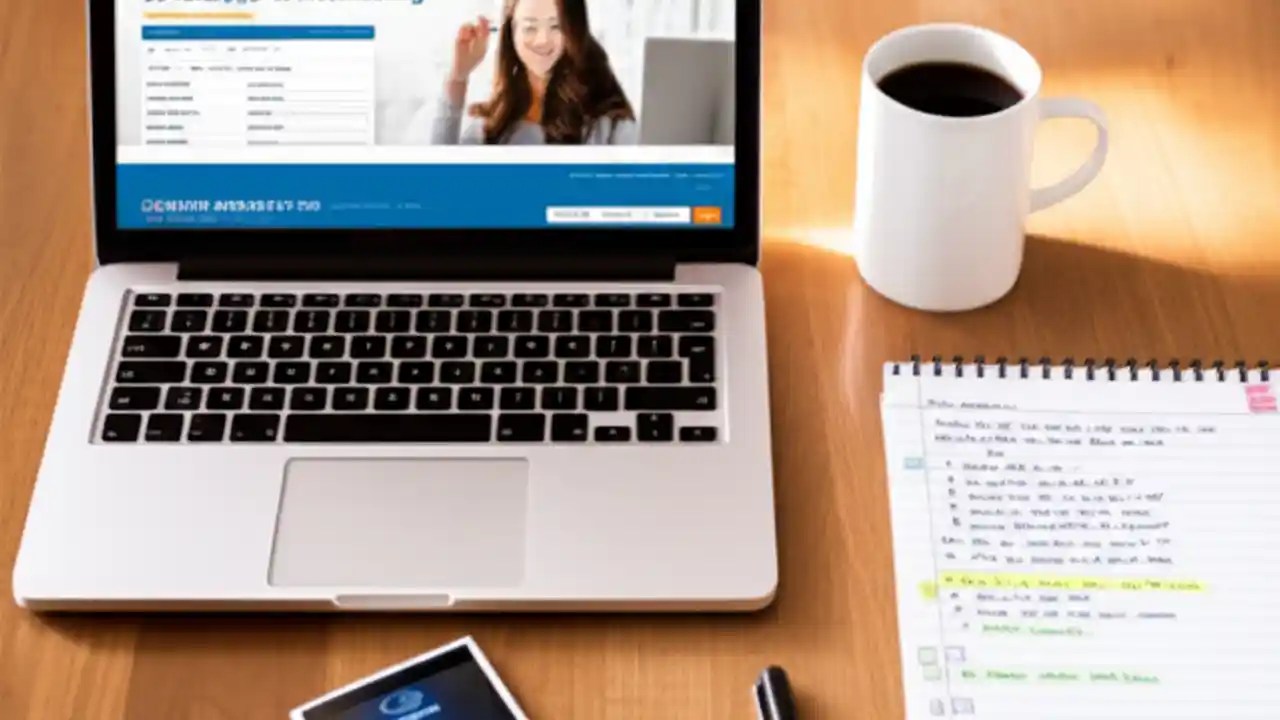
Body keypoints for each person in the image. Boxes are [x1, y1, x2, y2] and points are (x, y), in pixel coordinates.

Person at [431, 0, 637, 145]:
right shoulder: (490, 129)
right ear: (512, 33)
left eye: (556, 26)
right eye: (530, 27)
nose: (542, 40)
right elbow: (435, 186)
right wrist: (458, 77)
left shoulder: (609, 128)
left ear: (574, 30)